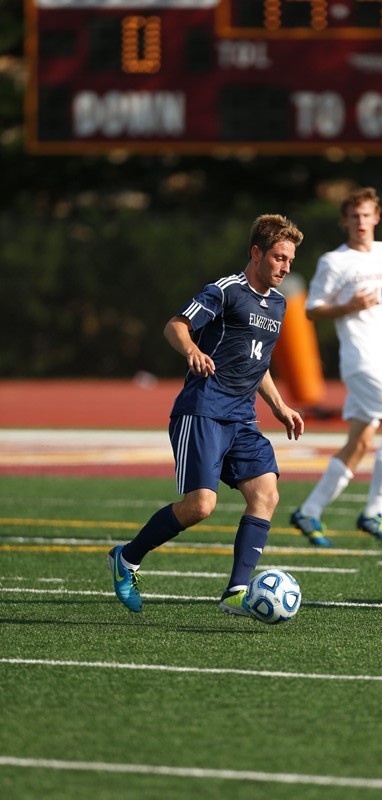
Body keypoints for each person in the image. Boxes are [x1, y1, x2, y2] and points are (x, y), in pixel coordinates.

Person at [108, 214, 305, 614]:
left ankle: (236, 592)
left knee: (266, 494)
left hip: (242, 418)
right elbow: (175, 326)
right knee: (200, 506)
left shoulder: (279, 304)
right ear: (256, 253)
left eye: (290, 260)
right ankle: (126, 558)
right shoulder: (226, 290)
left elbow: (258, 363)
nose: (285, 267)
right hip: (203, 411)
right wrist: (192, 350)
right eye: (279, 257)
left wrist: (279, 405)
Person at [291, 187, 382, 548]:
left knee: (359, 443)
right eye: (354, 216)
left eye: (366, 214)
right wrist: (347, 306)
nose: (361, 221)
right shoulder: (334, 261)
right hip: (361, 361)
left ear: (377, 217)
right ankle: (375, 512)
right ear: (344, 221)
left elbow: (381, 304)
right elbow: (311, 310)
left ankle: (309, 511)